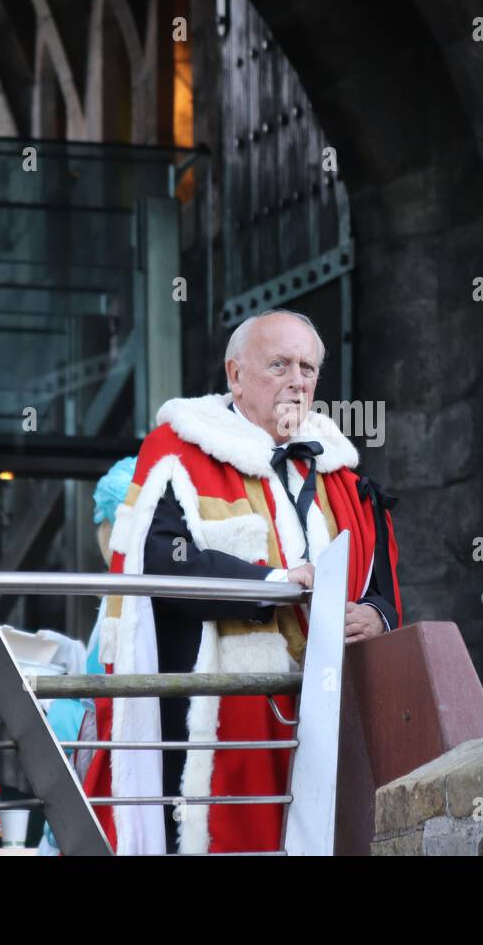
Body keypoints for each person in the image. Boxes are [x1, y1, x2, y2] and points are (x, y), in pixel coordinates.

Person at [82, 309, 403, 853]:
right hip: (215, 717)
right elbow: (162, 562)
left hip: (324, 711)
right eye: (278, 364)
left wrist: (377, 615)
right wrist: (275, 584)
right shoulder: (178, 454)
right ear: (235, 374)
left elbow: (381, 578)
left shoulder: (341, 474)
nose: (296, 380)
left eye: (307, 367)